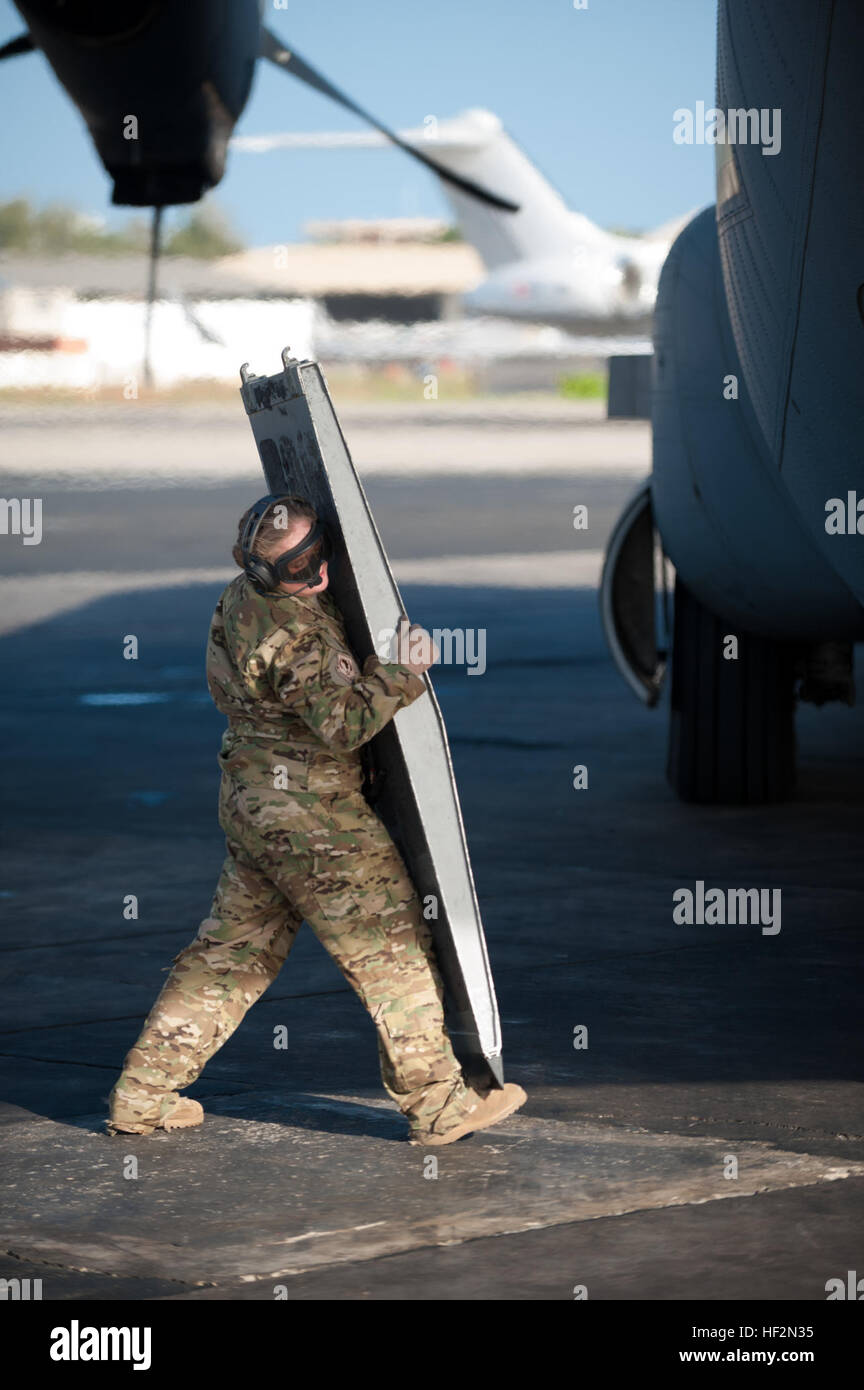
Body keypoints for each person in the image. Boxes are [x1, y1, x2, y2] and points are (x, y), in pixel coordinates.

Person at [106, 494, 526, 1146]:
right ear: (266, 569)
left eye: (319, 557)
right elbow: (344, 722)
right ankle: (439, 1107)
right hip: (312, 819)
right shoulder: (294, 634)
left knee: (229, 958)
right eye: (301, 571)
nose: (319, 577)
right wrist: (403, 672)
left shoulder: (239, 597)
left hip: (254, 802)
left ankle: (140, 1098)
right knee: (389, 947)